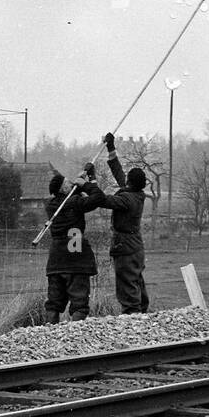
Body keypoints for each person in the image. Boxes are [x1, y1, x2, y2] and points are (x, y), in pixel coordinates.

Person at [82, 132, 149, 314]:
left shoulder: (127, 200)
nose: (124, 178)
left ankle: (132, 316)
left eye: (127, 178)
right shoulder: (136, 194)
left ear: (130, 182)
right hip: (135, 245)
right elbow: (118, 171)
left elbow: (101, 200)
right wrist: (111, 148)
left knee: (126, 281)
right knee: (135, 279)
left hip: (125, 245)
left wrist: (88, 183)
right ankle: (142, 314)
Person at [42, 165, 101, 323]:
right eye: (68, 183)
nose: (71, 184)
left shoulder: (51, 205)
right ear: (62, 189)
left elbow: (69, 197)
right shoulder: (75, 202)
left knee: (54, 303)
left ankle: (48, 333)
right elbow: (97, 198)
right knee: (80, 303)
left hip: (56, 261)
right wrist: (88, 182)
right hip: (76, 258)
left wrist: (77, 185)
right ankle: (75, 334)